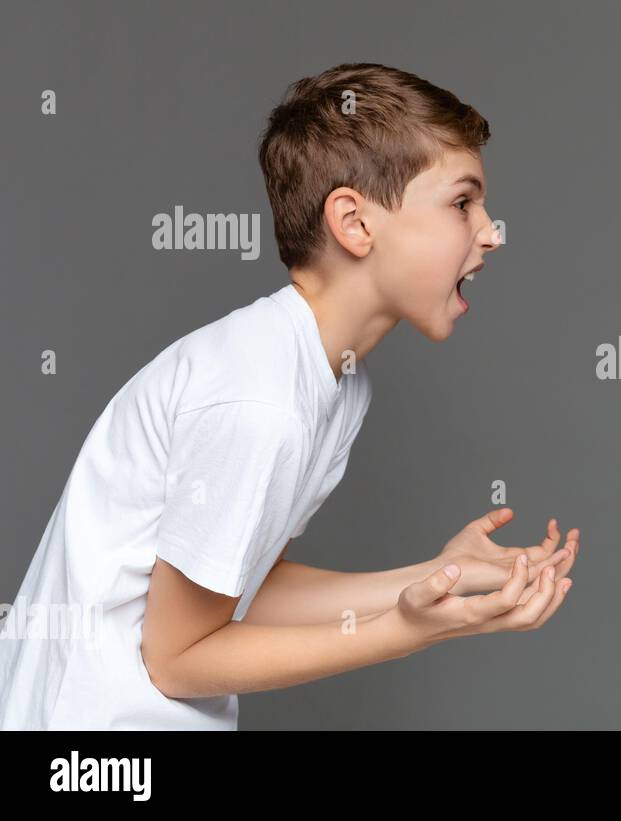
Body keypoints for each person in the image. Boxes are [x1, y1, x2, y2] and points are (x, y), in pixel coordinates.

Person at [0, 62, 579, 730]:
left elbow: (242, 589)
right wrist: (413, 628)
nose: (491, 231)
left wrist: (435, 578)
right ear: (354, 223)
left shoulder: (333, 383)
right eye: (462, 202)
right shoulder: (260, 398)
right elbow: (176, 658)